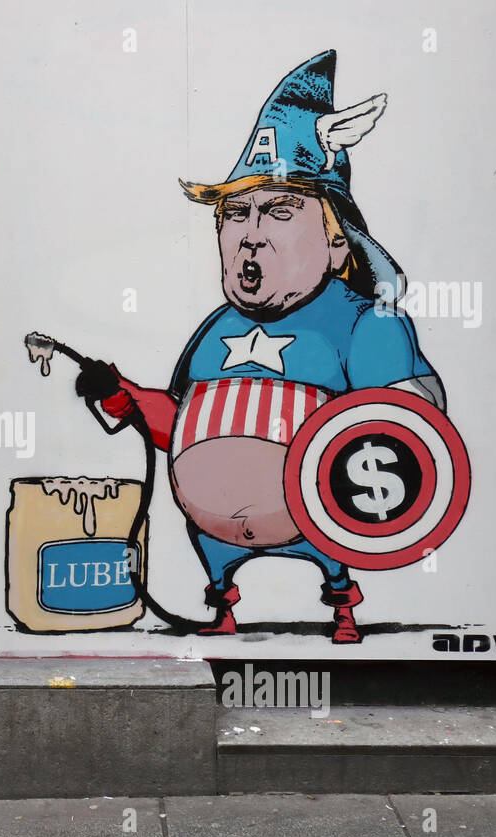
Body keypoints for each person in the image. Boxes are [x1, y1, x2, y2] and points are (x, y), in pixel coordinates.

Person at [76, 51, 447, 643]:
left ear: (336, 244)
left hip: (317, 526)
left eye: (278, 212)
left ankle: (342, 607)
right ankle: (222, 606)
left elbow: (401, 438)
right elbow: (182, 423)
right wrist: (120, 397)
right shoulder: (213, 329)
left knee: (331, 562)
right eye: (234, 213)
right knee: (215, 558)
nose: (249, 234)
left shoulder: (361, 325)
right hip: (213, 532)